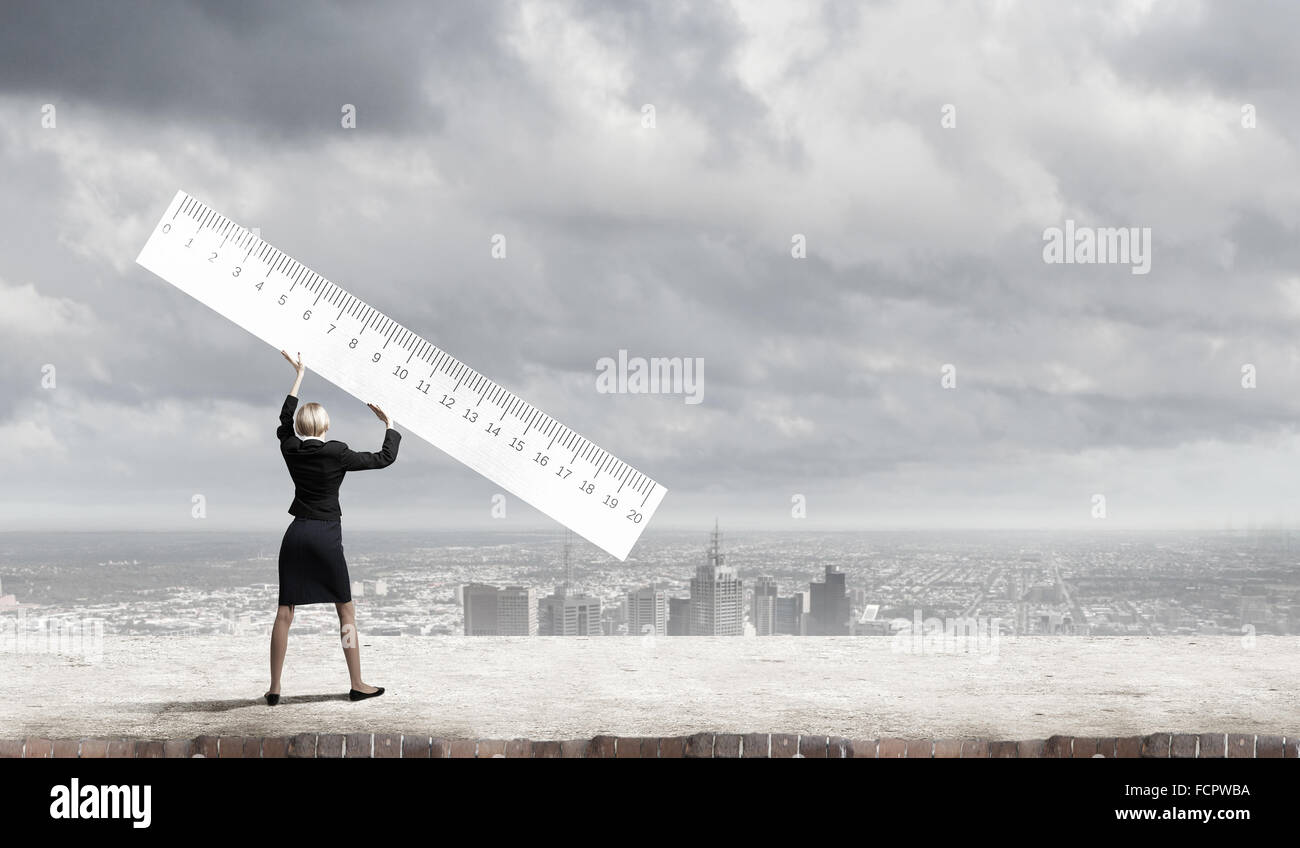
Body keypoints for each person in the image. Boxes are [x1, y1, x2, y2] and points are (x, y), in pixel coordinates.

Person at [265, 349, 401, 706]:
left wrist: (298, 376)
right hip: (326, 536)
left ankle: (275, 688)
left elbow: (282, 422)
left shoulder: (290, 448)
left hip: (295, 535)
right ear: (325, 427)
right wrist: (390, 425)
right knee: (345, 611)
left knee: (285, 613)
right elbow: (383, 459)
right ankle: (357, 683)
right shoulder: (337, 452)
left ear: (299, 428)